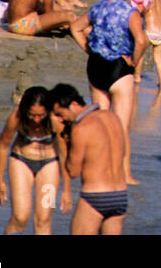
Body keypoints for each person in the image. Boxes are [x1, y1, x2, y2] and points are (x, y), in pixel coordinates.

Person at [70, 0, 146, 186]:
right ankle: (124, 175)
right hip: (119, 68)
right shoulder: (131, 13)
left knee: (101, 125)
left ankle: (98, 171)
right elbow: (141, 40)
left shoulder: (97, 7)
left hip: (95, 65)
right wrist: (133, 60)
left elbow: (75, 27)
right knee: (120, 127)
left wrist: (88, 48)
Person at [50, 84, 128, 235]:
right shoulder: (113, 118)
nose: (61, 119)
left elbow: (73, 171)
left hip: (95, 196)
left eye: (60, 114)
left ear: (73, 104)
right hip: (120, 195)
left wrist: (64, 141)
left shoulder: (81, 128)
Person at [0, 86, 69, 235]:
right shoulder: (16, 117)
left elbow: (63, 154)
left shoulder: (55, 120)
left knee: (44, 219)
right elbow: (3, 146)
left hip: (50, 164)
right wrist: (0, 181)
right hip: (21, 161)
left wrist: (66, 190)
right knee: (20, 218)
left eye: (41, 116)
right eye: (32, 115)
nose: (36, 120)